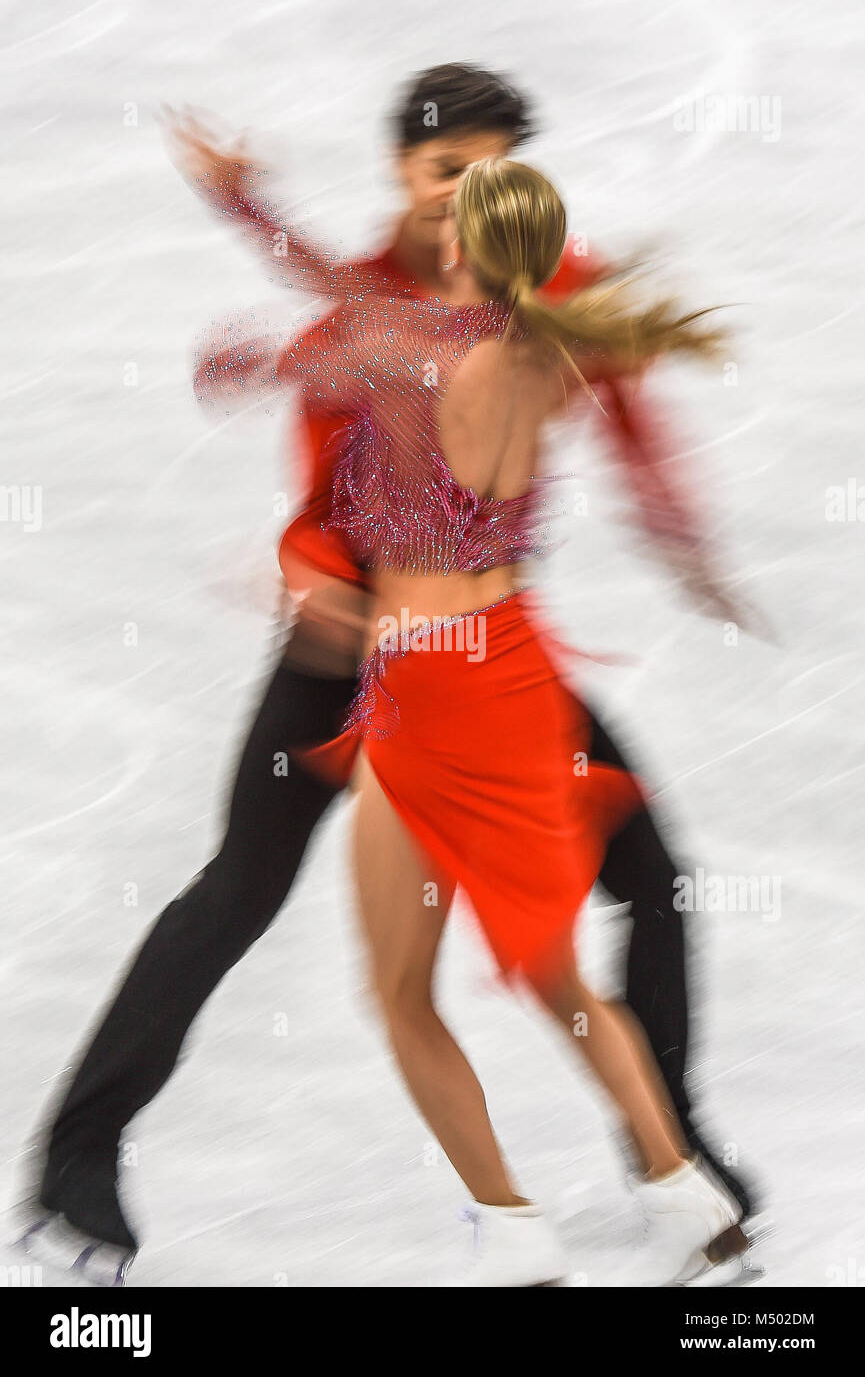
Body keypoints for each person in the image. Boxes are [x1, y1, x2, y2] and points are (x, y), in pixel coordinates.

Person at [25, 66, 754, 1285]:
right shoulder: (391, 309)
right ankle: (78, 1155)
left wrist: (676, 530)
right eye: (440, 169)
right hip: (353, 644)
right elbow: (327, 468)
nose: (458, 191)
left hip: (456, 663)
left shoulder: (470, 304)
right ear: (402, 173)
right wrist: (309, 577)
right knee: (240, 887)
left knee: (642, 880)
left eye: (484, 170)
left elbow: (610, 391)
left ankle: (660, 1153)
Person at [209, 151, 752, 1286]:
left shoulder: (410, 351)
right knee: (555, 972)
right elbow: (345, 310)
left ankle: (510, 1229)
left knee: (401, 992)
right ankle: (681, 1195)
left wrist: (243, 223)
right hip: (514, 669)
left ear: (459, 247)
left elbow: (323, 310)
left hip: (427, 684)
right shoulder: (555, 353)